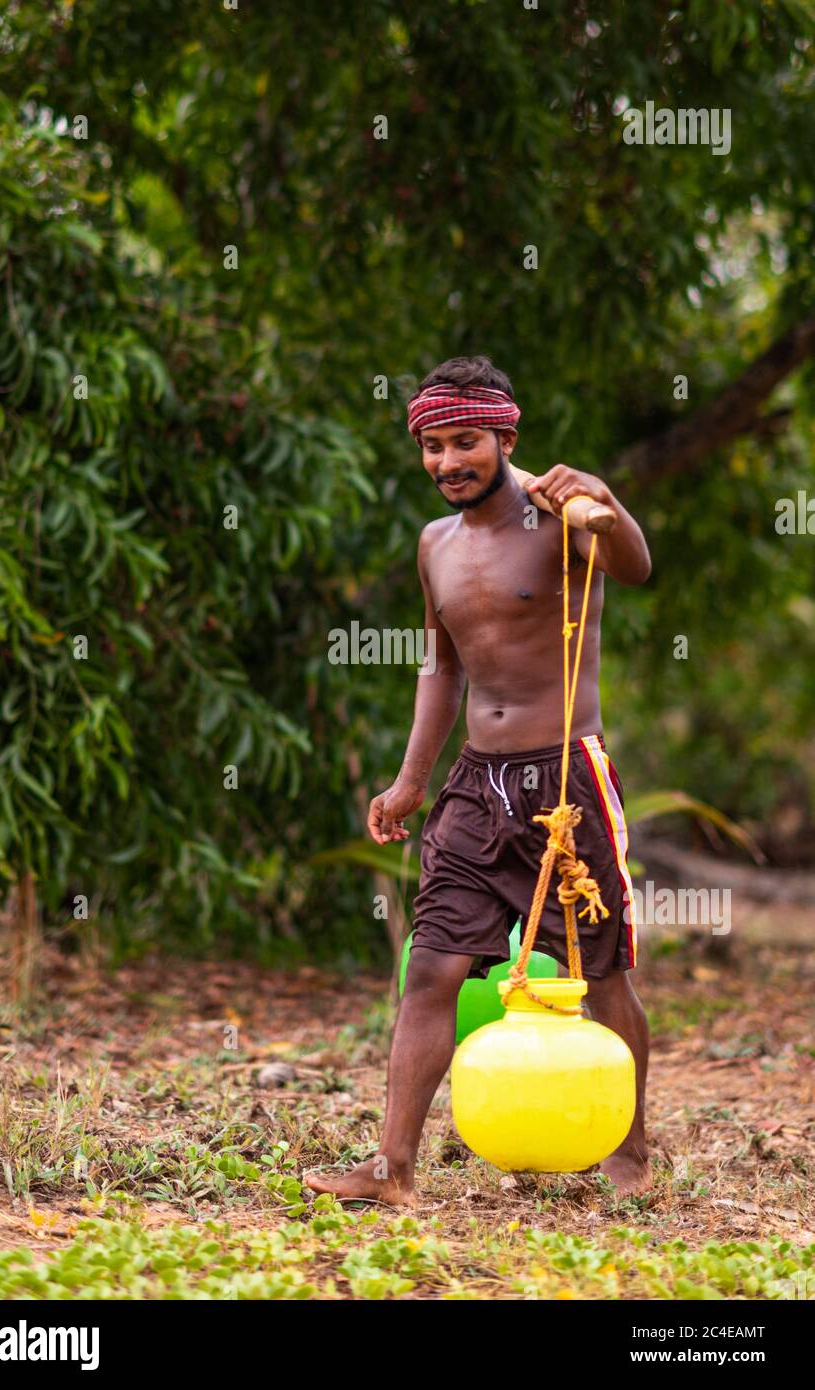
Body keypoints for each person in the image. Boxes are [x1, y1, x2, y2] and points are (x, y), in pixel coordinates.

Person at [305, 355, 652, 1207]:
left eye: (464, 442)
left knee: (598, 975)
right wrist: (410, 779)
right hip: (475, 785)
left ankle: (630, 1155)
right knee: (431, 969)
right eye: (431, 446)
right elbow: (441, 666)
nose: (446, 462)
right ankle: (390, 1170)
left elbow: (635, 565)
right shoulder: (435, 544)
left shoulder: (563, 516)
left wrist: (605, 498)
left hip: (566, 782)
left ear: (504, 435)